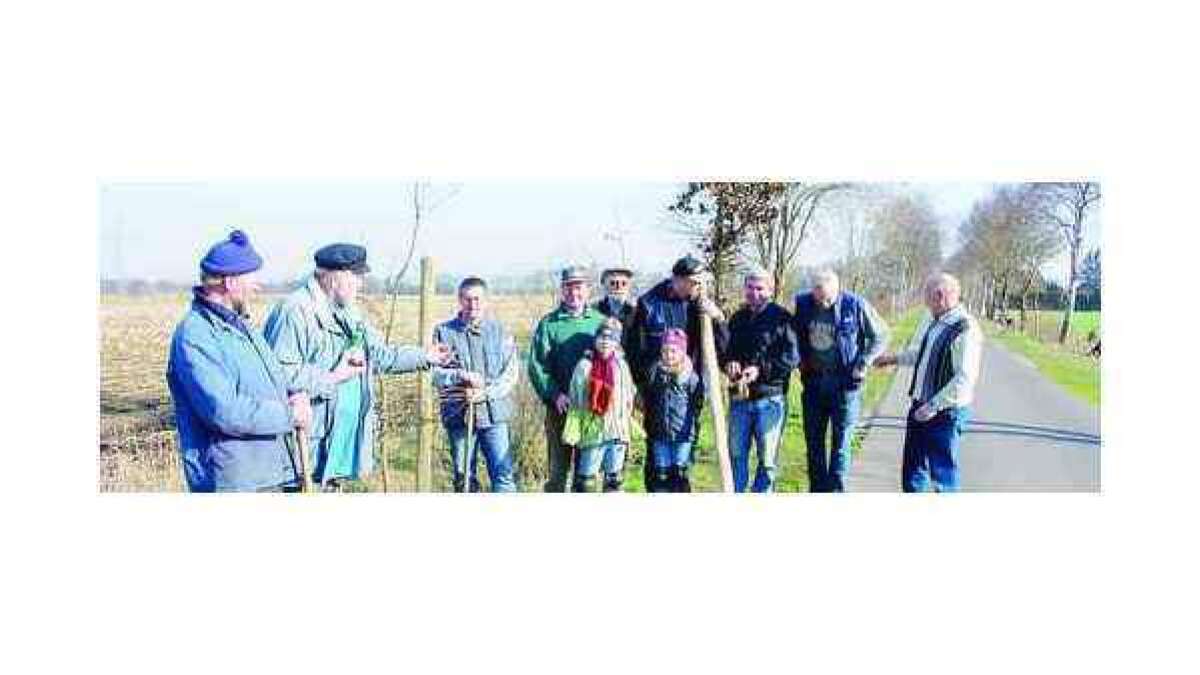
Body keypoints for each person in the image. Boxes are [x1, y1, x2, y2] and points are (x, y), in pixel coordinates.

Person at [263, 243, 452, 491]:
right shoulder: (295, 312)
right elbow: (277, 375)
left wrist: (426, 356)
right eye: (357, 276)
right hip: (305, 452)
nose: (361, 284)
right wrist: (334, 376)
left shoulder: (349, 313)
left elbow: (379, 355)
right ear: (335, 278)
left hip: (335, 452)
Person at [166, 230, 313, 492]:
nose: (258, 286)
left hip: (271, 474)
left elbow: (273, 378)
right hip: (235, 483)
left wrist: (295, 393)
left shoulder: (243, 327)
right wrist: (290, 416)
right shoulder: (195, 336)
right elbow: (224, 411)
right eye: (252, 277)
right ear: (231, 282)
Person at [624, 255, 728, 491]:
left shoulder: (700, 305)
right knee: (657, 462)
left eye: (701, 282)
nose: (698, 287)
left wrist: (718, 318)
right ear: (678, 280)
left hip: (688, 396)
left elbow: (723, 349)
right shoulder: (649, 304)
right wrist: (640, 387)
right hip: (656, 396)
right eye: (694, 282)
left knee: (682, 461)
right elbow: (635, 351)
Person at [875, 273, 983, 492]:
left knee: (942, 476)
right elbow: (925, 354)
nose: (925, 304)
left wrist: (933, 406)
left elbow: (964, 378)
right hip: (922, 406)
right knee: (914, 470)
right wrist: (893, 358)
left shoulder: (965, 329)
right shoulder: (939, 322)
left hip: (944, 412)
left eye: (927, 298)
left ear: (940, 296)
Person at [793, 269, 889, 492]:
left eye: (828, 299)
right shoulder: (803, 303)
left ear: (837, 290)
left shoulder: (855, 305)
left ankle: (836, 491)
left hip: (845, 385)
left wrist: (864, 362)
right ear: (812, 291)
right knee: (814, 443)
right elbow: (794, 335)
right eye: (819, 298)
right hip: (814, 383)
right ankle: (818, 491)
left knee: (841, 444)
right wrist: (797, 359)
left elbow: (882, 335)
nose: (823, 303)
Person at [432, 277, 520, 493]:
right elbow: (435, 374)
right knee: (464, 480)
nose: (473, 305)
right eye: (467, 299)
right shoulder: (443, 332)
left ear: (486, 300)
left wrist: (485, 393)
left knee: (503, 476)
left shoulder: (500, 331)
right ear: (459, 300)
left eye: (477, 299)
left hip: (494, 415)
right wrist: (460, 376)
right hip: (459, 415)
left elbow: (510, 374)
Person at [528, 265, 606, 492]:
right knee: (557, 474)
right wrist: (555, 395)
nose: (574, 293)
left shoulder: (599, 322)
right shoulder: (549, 324)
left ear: (588, 290)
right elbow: (537, 365)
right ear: (562, 290)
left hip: (591, 411)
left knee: (586, 476)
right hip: (559, 410)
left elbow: (611, 362)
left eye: (578, 287)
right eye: (568, 287)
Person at [720, 269, 799, 493]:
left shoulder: (782, 319)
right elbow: (726, 350)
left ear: (770, 290)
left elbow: (792, 357)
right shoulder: (737, 318)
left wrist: (760, 370)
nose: (754, 293)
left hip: (770, 400)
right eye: (750, 288)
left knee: (767, 459)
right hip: (740, 399)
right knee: (736, 455)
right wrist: (730, 363)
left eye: (759, 288)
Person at [562, 319, 636, 492]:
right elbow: (576, 400)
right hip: (593, 432)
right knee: (586, 482)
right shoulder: (584, 366)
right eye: (601, 337)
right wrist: (576, 428)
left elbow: (628, 396)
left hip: (617, 431)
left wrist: (626, 426)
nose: (605, 342)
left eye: (611, 338)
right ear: (595, 340)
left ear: (616, 343)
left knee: (614, 481)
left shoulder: (621, 366)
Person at [642, 328, 705, 492]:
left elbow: (698, 402)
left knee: (680, 475)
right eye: (665, 351)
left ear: (682, 352)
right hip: (660, 434)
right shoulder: (655, 372)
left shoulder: (691, 377)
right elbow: (648, 398)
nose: (669, 355)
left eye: (673, 351)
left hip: (683, 435)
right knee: (661, 475)